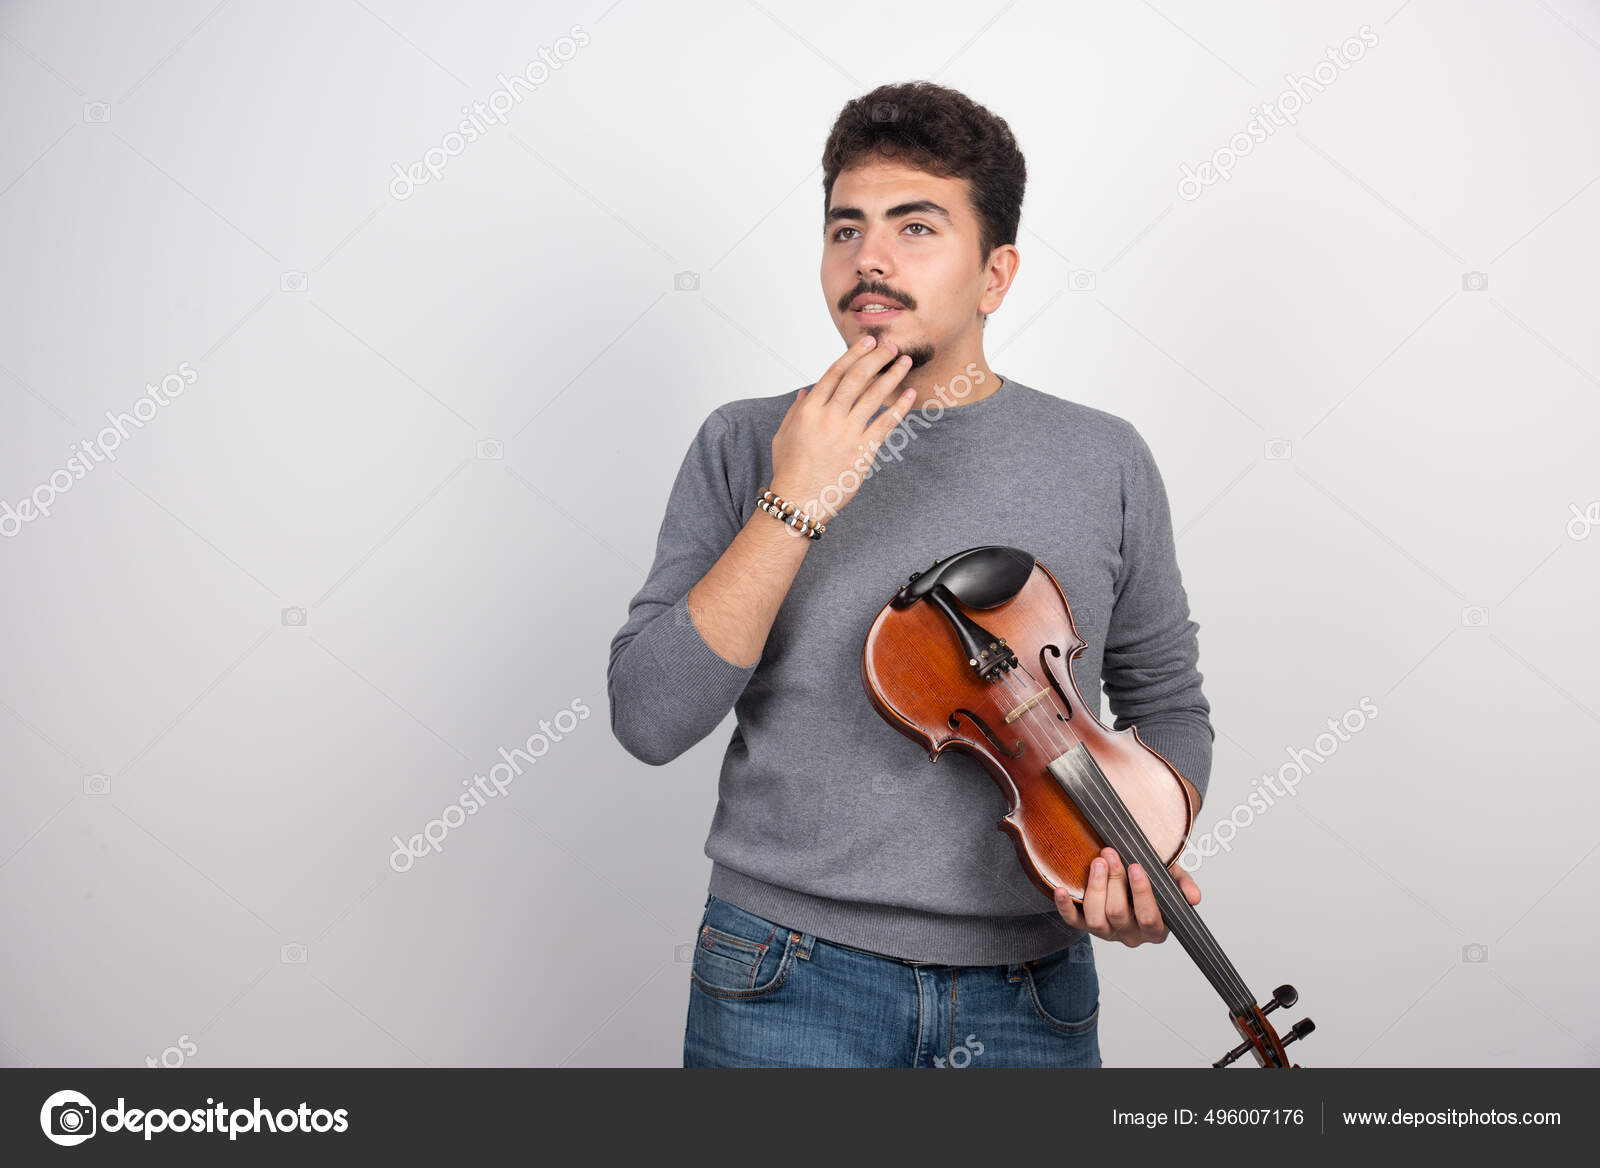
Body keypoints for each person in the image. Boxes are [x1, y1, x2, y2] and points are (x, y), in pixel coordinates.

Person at [607, 81, 1213, 1068]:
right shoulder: (744, 441)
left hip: (1035, 993)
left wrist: (1138, 847)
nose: (869, 261)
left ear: (995, 273)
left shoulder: (1104, 459)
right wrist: (793, 499)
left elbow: (1166, 699)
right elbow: (649, 716)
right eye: (844, 230)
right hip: (778, 978)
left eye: (915, 227)